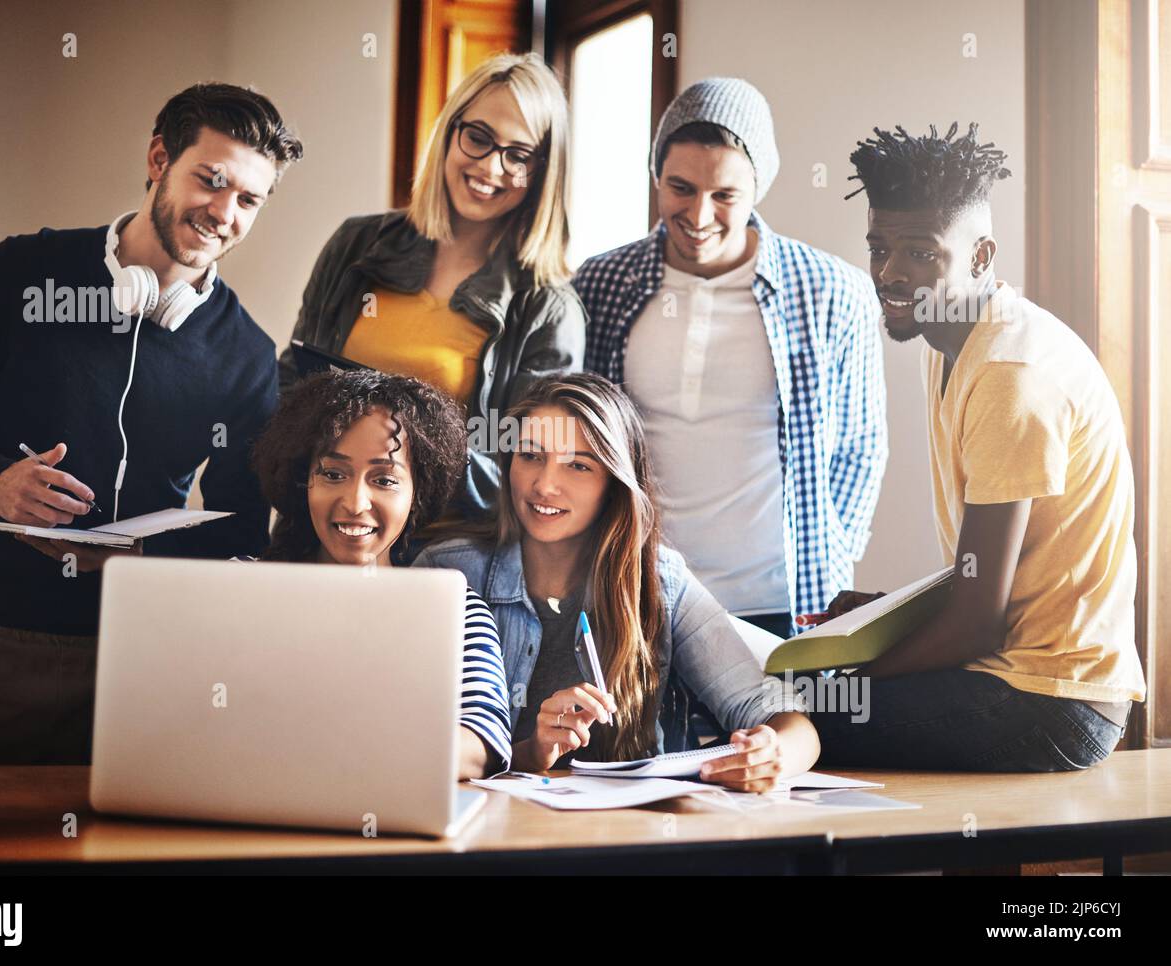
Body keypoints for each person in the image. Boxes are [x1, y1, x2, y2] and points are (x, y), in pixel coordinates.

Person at [0, 83, 303, 764]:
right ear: (160, 158)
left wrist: (135, 562)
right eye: (212, 181)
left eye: (249, 199)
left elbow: (241, 530)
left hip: (145, 658)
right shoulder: (23, 270)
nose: (225, 213)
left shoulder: (248, 353)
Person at [811, 122, 1147, 771]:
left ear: (981, 256)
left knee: (787, 711)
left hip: (1054, 701)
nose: (889, 273)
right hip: (1012, 674)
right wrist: (882, 618)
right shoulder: (947, 341)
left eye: (920, 253)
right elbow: (985, 587)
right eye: (879, 248)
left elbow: (976, 623)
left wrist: (847, 675)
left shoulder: (1008, 373)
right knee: (785, 700)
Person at [574, 78, 886, 640]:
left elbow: (861, 448)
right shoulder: (601, 282)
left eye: (725, 196)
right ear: (656, 178)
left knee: (778, 732)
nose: (698, 214)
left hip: (780, 600)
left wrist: (831, 551)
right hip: (637, 591)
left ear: (758, 189)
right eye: (680, 188)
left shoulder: (830, 290)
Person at [414, 374, 819, 790]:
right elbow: (408, 740)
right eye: (531, 456)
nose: (544, 485)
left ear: (615, 483)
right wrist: (531, 750)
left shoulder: (661, 582)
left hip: (631, 833)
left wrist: (774, 753)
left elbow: (781, 716)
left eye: (578, 465)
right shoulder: (448, 575)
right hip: (488, 834)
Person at [278, 52, 586, 515]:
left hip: (442, 552)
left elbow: (531, 471)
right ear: (450, 131)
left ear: (543, 170)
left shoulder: (547, 308)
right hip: (318, 531)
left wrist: (393, 444)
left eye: (518, 155)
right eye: (478, 137)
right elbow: (291, 388)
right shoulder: (356, 243)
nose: (490, 168)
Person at [252, 370, 511, 779]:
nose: (355, 502)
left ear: (416, 494)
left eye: (384, 480)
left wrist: (340, 751)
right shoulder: (239, 592)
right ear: (305, 481)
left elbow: (482, 742)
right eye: (333, 474)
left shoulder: (456, 610)